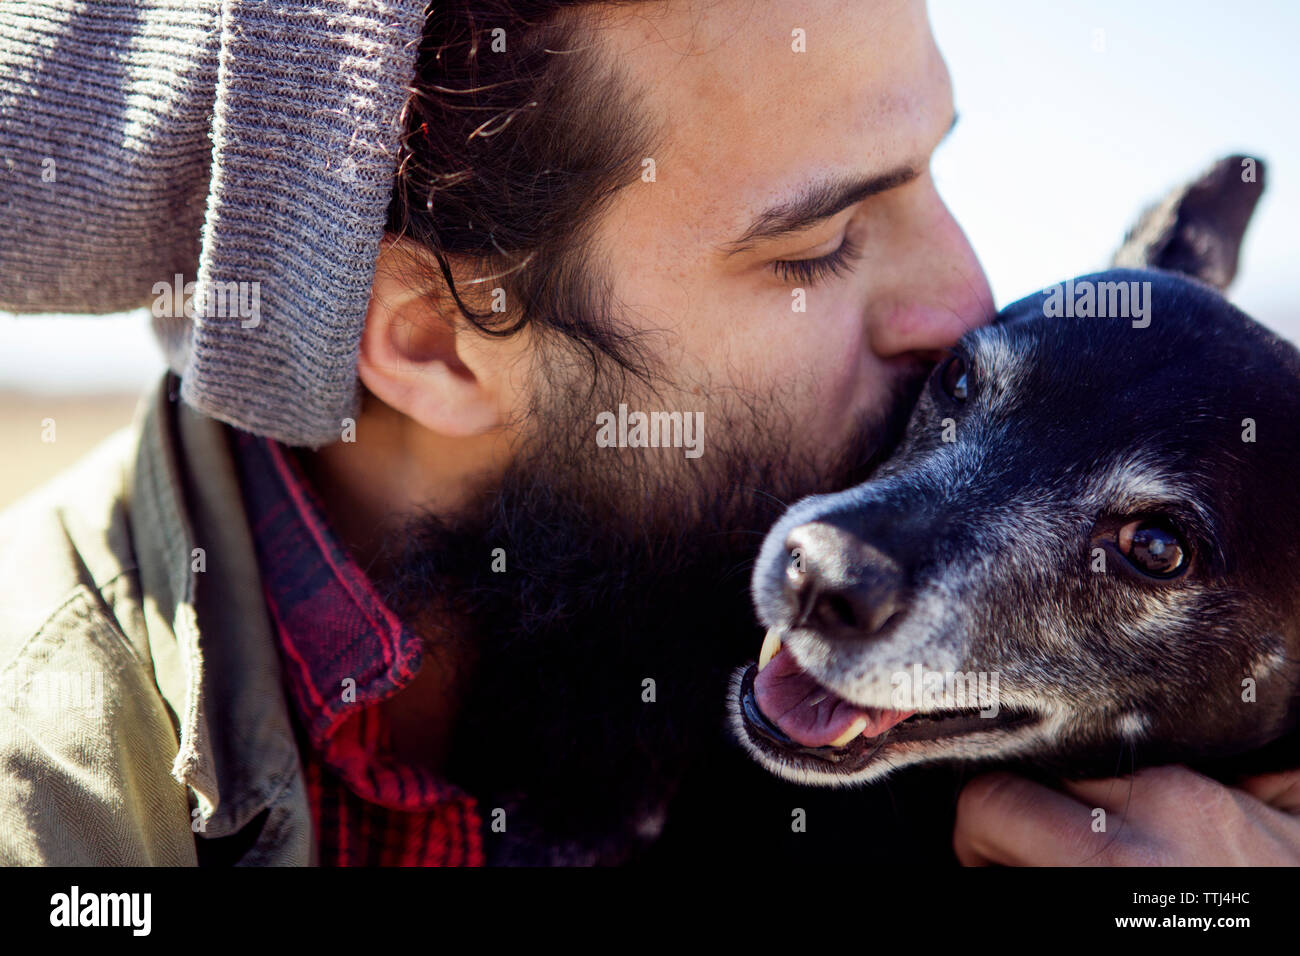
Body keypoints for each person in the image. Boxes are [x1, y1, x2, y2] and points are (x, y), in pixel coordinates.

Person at [1, 0, 1296, 865]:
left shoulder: (751, 572)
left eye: (934, 172)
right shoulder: (59, 802)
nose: (968, 305)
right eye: (817, 243)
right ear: (436, 343)